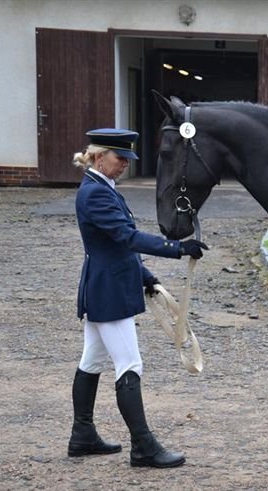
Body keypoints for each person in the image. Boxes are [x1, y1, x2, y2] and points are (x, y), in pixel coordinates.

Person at [68, 128, 208, 468]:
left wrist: (146, 277)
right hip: (110, 293)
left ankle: (82, 435)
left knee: (91, 361)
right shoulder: (96, 193)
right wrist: (177, 248)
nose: (125, 165)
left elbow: (116, 244)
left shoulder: (102, 187)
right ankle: (143, 446)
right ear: (99, 157)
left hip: (105, 287)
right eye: (120, 158)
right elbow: (127, 237)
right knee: (130, 365)